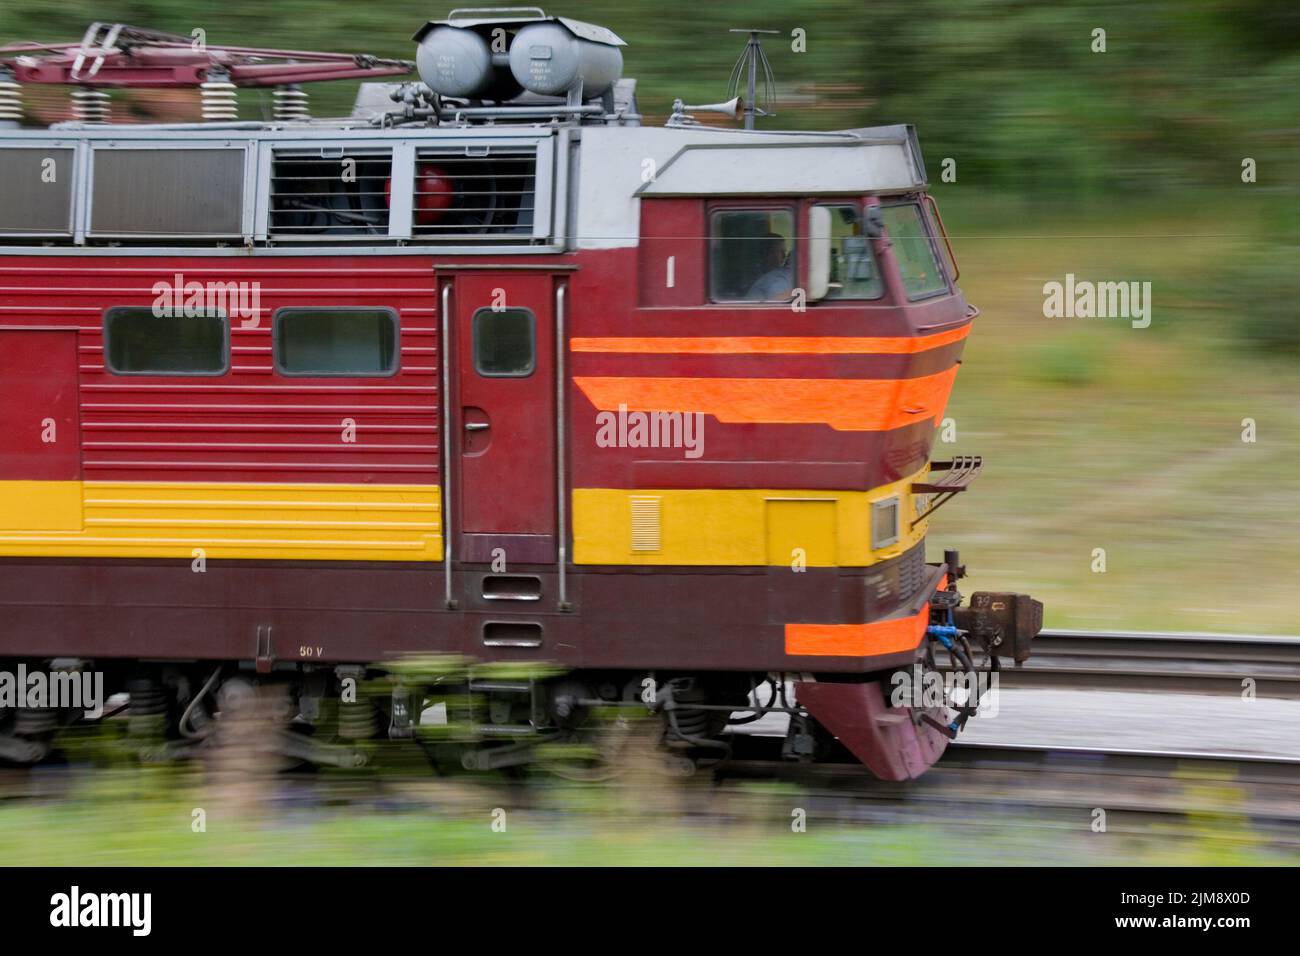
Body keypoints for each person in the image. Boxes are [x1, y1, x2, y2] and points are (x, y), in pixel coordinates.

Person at [745, 232, 793, 300]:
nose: (784, 256)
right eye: (780, 251)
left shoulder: (770, 274)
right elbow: (777, 299)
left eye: (784, 252)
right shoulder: (777, 276)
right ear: (767, 253)